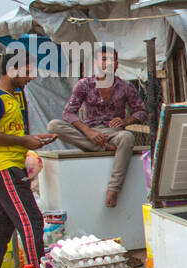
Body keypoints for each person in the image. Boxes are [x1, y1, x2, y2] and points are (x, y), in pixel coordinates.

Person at [0, 56, 56, 268]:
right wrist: (24, 141)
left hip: (10, 164)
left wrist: (33, 140)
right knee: (31, 221)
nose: (32, 77)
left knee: (2, 226)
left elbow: (10, 133)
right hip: (3, 167)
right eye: (28, 72)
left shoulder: (13, 97)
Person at [47, 47, 146, 207]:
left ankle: (113, 188)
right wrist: (89, 132)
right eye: (104, 59)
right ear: (95, 63)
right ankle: (101, 147)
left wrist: (126, 121)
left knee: (127, 137)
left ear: (117, 65)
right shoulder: (84, 84)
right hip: (88, 132)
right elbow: (68, 113)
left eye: (111, 60)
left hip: (113, 135)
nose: (107, 64)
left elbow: (141, 111)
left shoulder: (126, 86)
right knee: (54, 125)